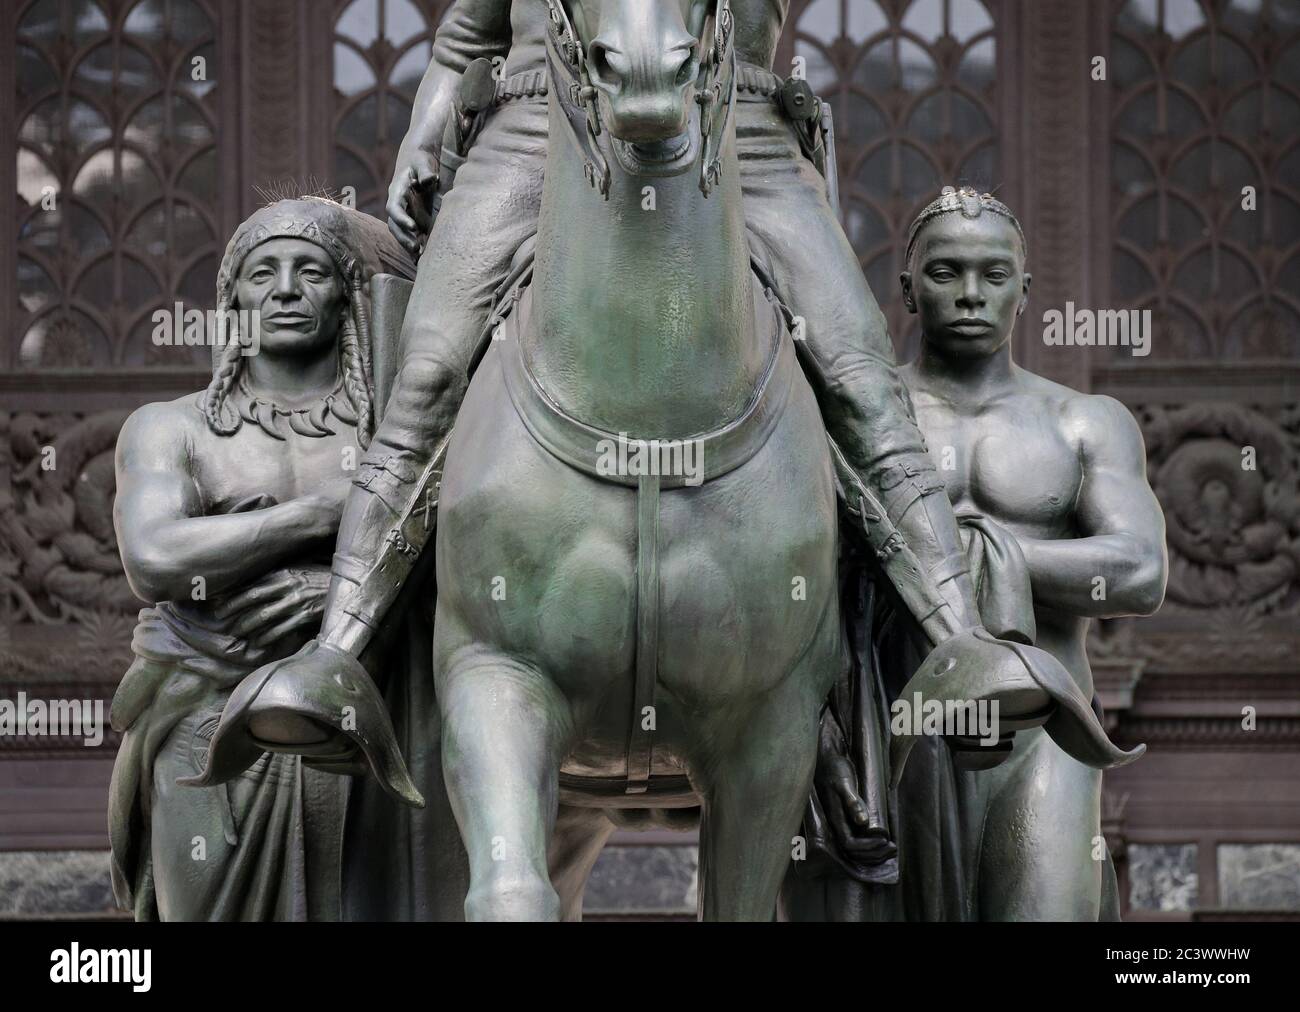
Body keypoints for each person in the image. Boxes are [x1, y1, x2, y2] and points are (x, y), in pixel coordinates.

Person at [795, 186, 1168, 920]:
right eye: (945, 273)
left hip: (1042, 729)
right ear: (906, 288)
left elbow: (1140, 571)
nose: (971, 294)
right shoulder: (846, 422)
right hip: (888, 725)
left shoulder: (1082, 423)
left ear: (1025, 290)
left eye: (993, 276)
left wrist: (963, 555)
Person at [107, 198, 411, 920]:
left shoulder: (397, 433)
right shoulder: (170, 429)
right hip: (207, 719)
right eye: (261, 273)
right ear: (232, 297)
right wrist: (333, 511)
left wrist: (333, 590)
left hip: (367, 725)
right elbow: (154, 558)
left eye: (310, 271)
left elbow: (462, 555)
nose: (283, 289)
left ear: (346, 296)